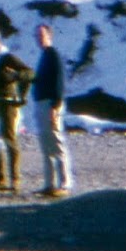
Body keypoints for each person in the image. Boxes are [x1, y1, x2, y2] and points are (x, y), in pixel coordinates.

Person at [0, 24, 32, 192]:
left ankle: (15, 179)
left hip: (7, 104)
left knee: (9, 140)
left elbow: (30, 73)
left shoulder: (8, 57)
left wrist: (18, 85)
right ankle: (0, 178)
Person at [30, 24, 73, 197]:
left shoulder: (54, 55)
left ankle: (64, 183)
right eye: (37, 35)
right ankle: (50, 184)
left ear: (49, 36)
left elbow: (60, 84)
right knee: (46, 146)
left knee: (56, 143)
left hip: (50, 105)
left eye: (42, 35)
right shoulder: (44, 56)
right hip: (41, 104)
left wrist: (55, 107)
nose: (39, 38)